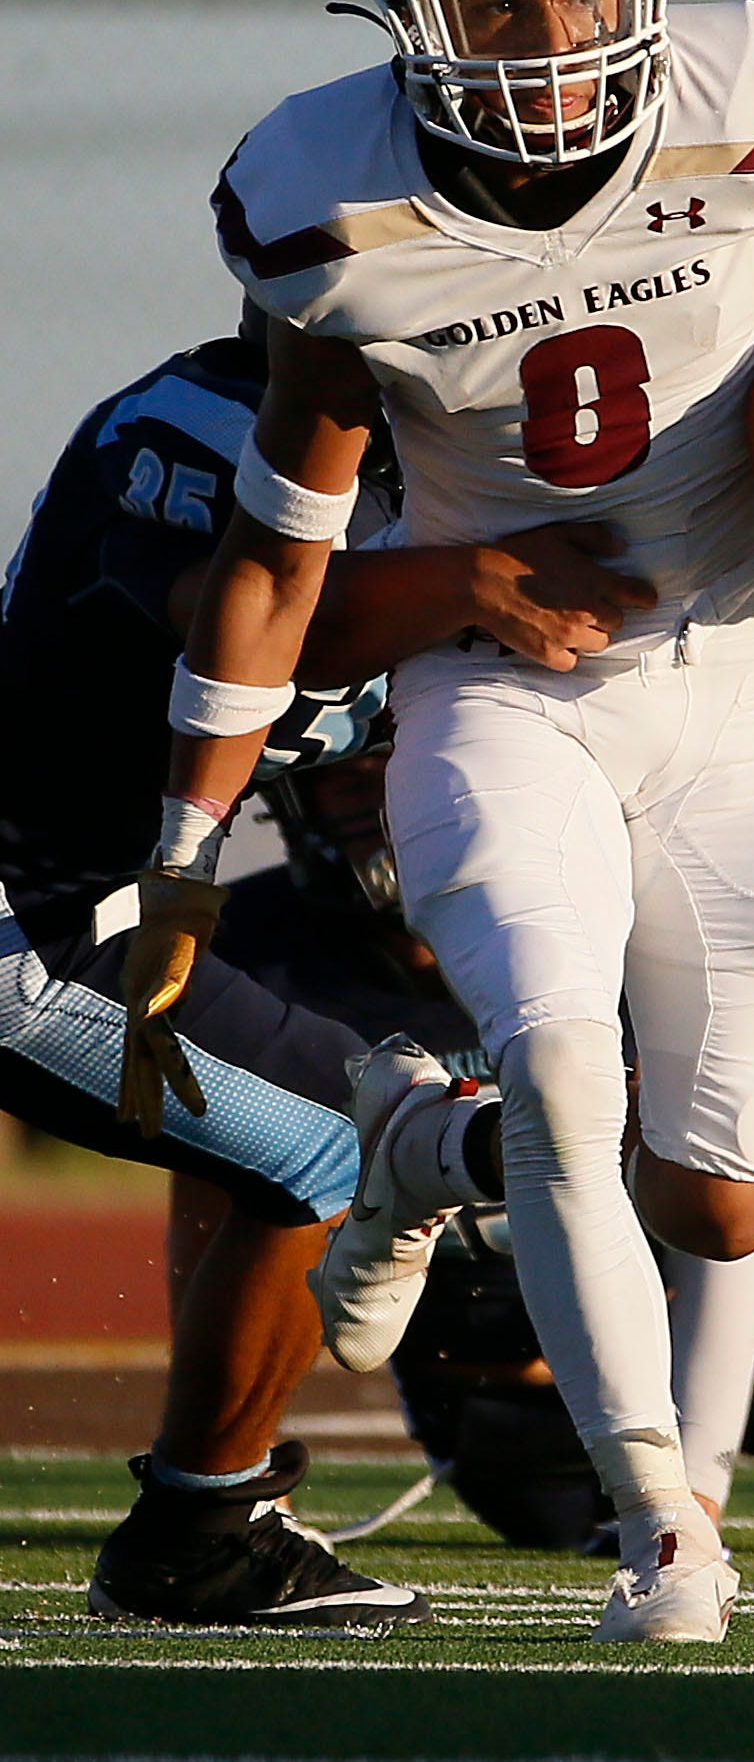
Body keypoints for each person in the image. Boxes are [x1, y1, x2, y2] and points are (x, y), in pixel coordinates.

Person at [122, 0, 754, 1643]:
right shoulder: (337, 210)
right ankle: (662, 1524)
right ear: (412, 10)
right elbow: (275, 559)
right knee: (561, 1069)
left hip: (745, 684)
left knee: (727, 1208)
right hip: (504, 697)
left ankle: (412, 1169)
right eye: (495, 4)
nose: (545, 42)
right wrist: (188, 844)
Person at [224, 762, 754, 1562]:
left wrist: (695, 1492)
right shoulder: (260, 947)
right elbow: (239, 1205)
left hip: (702, 1314)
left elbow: (721, 1230)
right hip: (486, 1388)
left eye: (397, 773)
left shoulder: (602, 917)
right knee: (555, 1535)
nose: (385, 811)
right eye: (351, 784)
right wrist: (240, 1462)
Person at [0, 328, 431, 1626]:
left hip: (79, 906)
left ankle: (204, 1524)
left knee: (351, 1128)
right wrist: (482, 581)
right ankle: (198, 1533)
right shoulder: (205, 421)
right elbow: (257, 613)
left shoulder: (419, 462)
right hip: (32, 911)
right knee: (350, 1137)